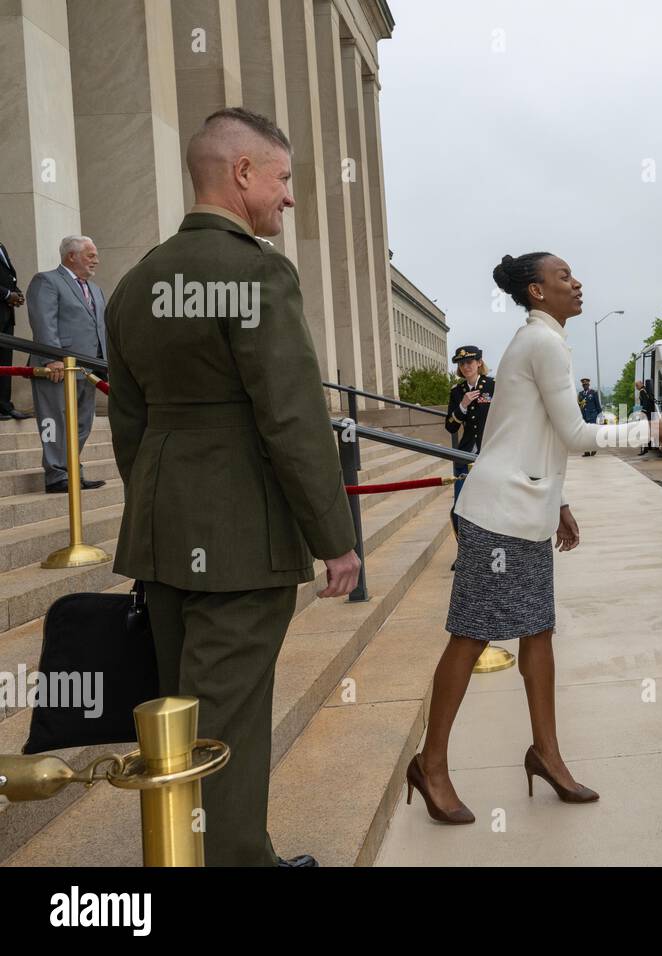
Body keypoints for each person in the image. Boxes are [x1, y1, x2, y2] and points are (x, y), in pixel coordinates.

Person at [106, 107, 361, 867]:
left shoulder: (136, 282)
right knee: (228, 725)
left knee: (179, 719)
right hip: (242, 542)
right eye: (283, 179)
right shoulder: (255, 273)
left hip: (164, 534)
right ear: (242, 172)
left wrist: (161, 507)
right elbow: (292, 418)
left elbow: (128, 425)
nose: (288, 198)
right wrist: (334, 537)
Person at [406, 251, 662, 824]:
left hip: (523, 511)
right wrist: (657, 427)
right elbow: (578, 433)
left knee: (538, 631)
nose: (576, 283)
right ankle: (430, 765)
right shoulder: (543, 342)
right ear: (536, 291)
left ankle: (546, 755)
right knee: (471, 635)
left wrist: (557, 500)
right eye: (563, 277)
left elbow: (524, 431)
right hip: (497, 515)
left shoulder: (541, 339)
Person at [26, 236, 107, 492]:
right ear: (71, 256)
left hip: (88, 368)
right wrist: (52, 358)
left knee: (82, 423)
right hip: (57, 368)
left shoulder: (95, 289)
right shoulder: (47, 281)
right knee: (56, 420)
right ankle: (56, 475)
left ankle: (72, 470)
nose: (96, 260)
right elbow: (43, 322)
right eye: (90, 255)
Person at [445, 344, 493, 542]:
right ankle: (465, 551)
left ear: (479, 362)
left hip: (490, 453)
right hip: (465, 454)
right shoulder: (457, 391)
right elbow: (450, 427)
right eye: (462, 363)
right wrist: (463, 405)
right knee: (460, 507)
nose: (466, 366)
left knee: (490, 504)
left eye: (470, 362)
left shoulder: (493, 386)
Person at [0, 234, 31, 420]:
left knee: (5, 361)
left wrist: (16, 293)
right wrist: (6, 295)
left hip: (6, 315)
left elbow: (8, 276)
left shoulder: (2, 245)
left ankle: (4, 406)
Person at [577, 376, 601, 455]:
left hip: (592, 416)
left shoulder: (593, 393)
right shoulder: (580, 394)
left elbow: (597, 405)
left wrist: (600, 415)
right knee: (585, 434)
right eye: (584, 385)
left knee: (592, 433)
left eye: (586, 385)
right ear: (582, 386)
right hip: (584, 417)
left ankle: (594, 448)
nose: (585, 386)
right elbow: (579, 406)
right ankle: (586, 451)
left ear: (589, 385)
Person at [635, 378, 655, 454]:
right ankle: (647, 447)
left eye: (636, 385)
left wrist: (642, 412)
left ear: (639, 385)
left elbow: (645, 402)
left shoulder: (642, 391)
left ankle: (644, 449)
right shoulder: (646, 390)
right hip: (649, 412)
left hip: (645, 413)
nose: (636, 387)